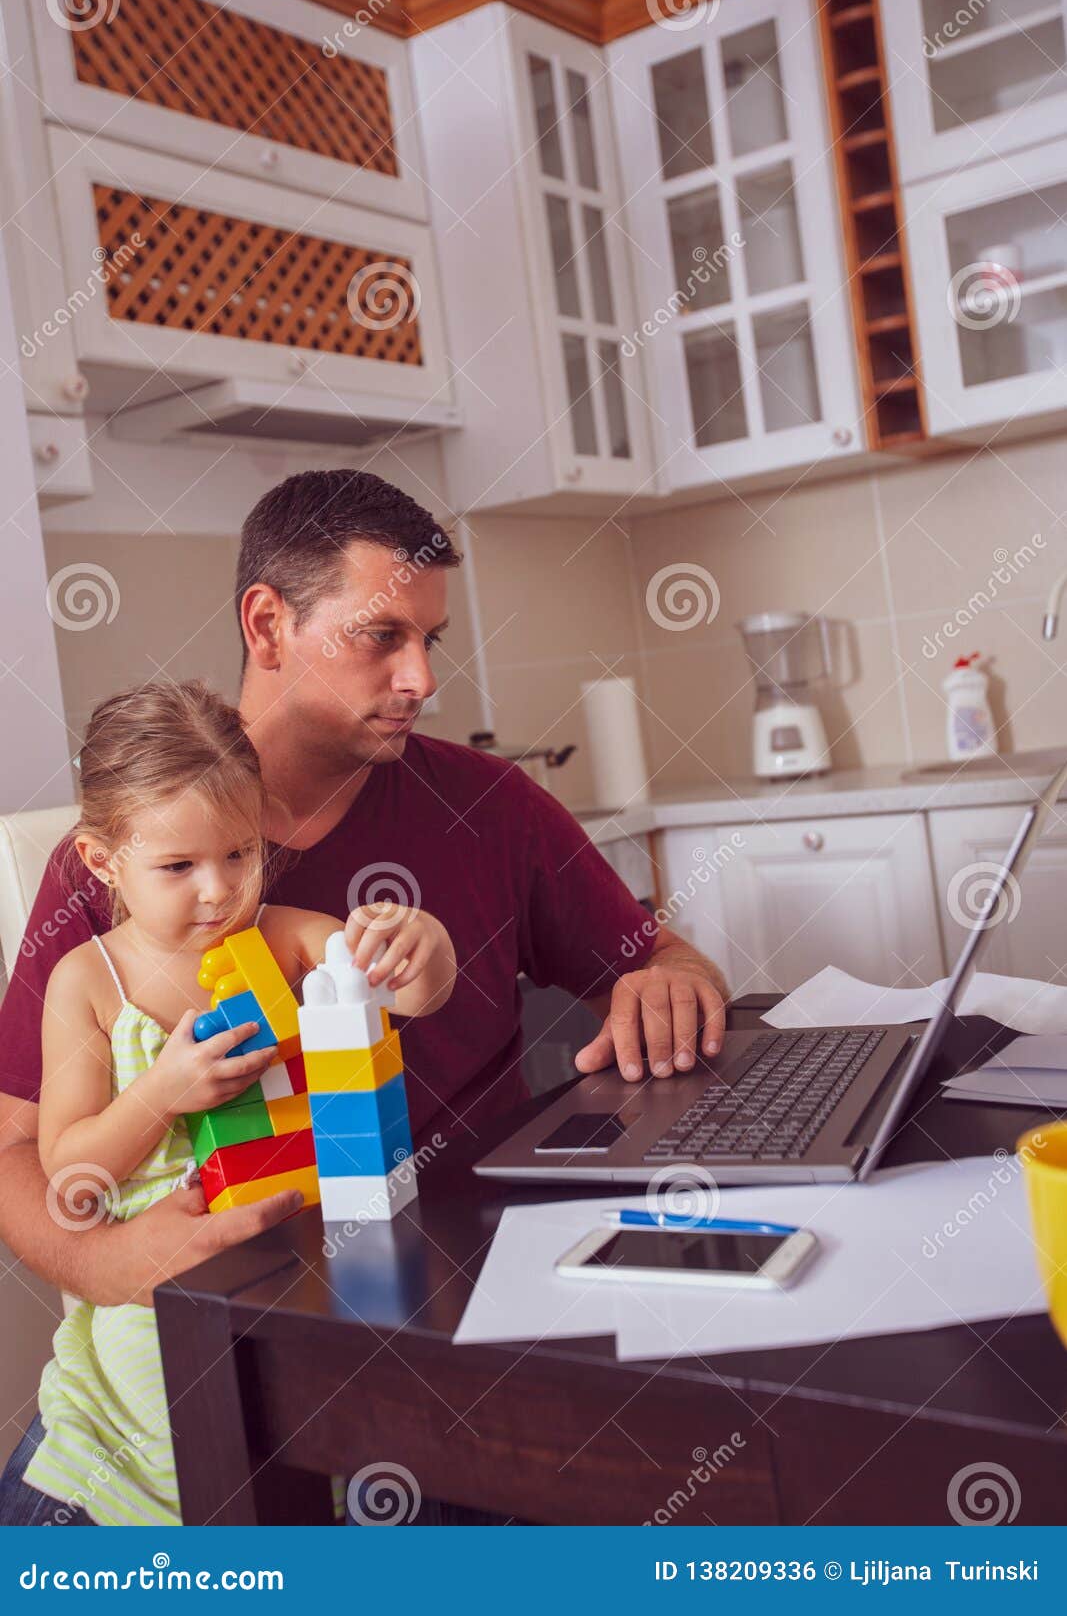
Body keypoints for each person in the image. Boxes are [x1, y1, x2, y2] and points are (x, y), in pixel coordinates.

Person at [0, 468, 728, 1523]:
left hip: (435, 1334)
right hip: (168, 1362)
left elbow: (658, 954)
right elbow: (22, 1149)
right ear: (268, 625)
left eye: (431, 638)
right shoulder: (122, 870)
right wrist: (114, 1261)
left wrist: (671, 981)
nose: (422, 676)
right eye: (382, 635)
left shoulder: (492, 808)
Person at [20, 679, 455, 1525]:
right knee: (197, 1454)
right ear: (103, 862)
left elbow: (407, 996)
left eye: (240, 854)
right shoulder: (88, 985)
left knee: (335, 1434)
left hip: (306, 1258)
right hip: (162, 1292)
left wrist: (423, 950)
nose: (218, 892)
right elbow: (69, 1171)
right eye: (177, 867)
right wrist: (161, 1091)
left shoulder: (287, 939)